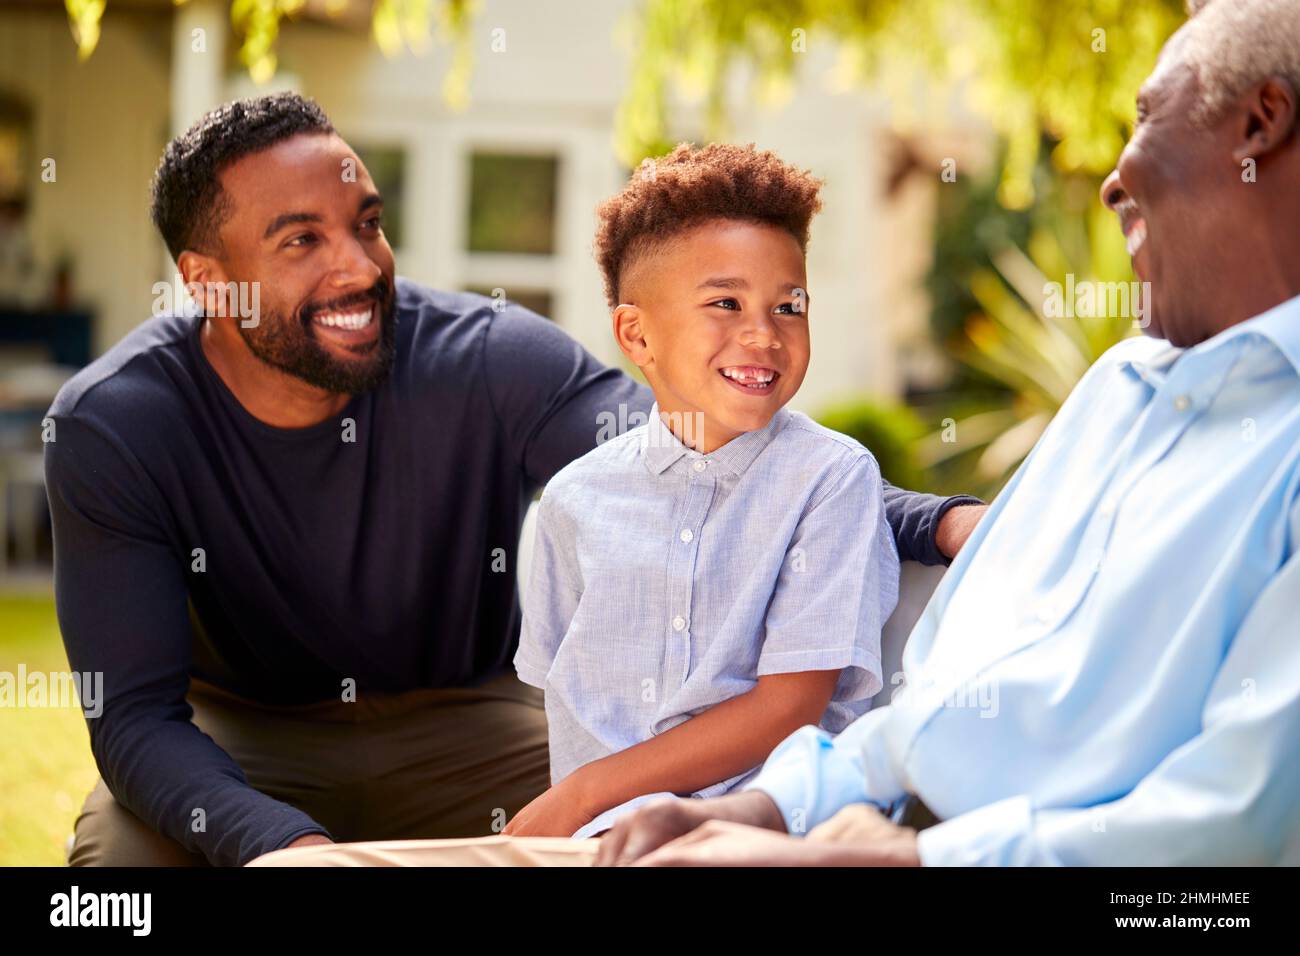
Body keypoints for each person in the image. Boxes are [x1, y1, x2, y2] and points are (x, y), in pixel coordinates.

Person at [251, 0, 1300, 868]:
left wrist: (876, 851)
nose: (1111, 174)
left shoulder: (1267, 444)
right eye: (722, 304)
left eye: (1146, 115)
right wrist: (754, 814)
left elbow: (1239, 824)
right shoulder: (1121, 390)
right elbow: (922, 708)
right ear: (633, 333)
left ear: (1260, 125)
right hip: (801, 822)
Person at [45, 93, 984, 867]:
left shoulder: (486, 358)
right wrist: (283, 848)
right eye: (301, 241)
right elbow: (132, 717)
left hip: (475, 720)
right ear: (209, 280)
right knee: (119, 881)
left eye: (366, 224)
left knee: (644, 835)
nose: (359, 266)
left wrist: (935, 520)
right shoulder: (118, 425)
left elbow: (710, 443)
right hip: (246, 739)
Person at [501, 143, 900, 840]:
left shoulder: (831, 480)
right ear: (637, 334)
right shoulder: (571, 502)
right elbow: (566, 709)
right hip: (598, 847)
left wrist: (586, 796)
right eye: (726, 302)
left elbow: (790, 708)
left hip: (764, 836)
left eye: (788, 306)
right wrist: (579, 815)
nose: (763, 335)